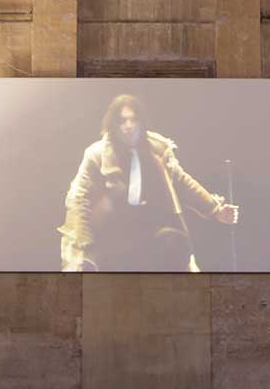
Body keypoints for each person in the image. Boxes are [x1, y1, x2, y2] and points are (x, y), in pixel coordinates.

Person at [59, 94, 240, 272]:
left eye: (133, 120)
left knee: (174, 249)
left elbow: (181, 181)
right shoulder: (97, 154)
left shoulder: (158, 149)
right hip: (114, 230)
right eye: (122, 121)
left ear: (141, 122)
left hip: (150, 227)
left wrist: (215, 209)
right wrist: (83, 245)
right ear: (114, 124)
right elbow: (78, 198)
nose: (128, 126)